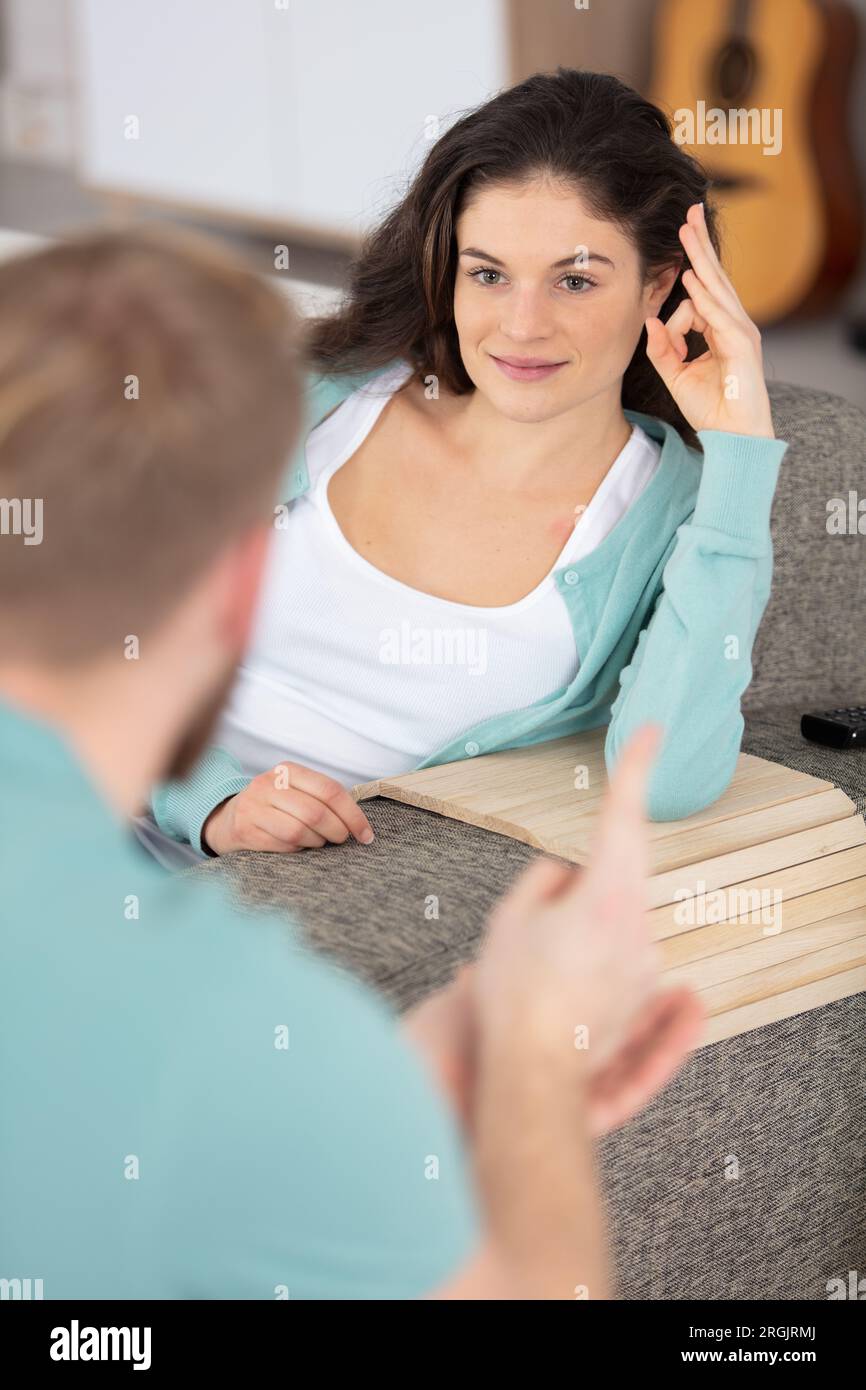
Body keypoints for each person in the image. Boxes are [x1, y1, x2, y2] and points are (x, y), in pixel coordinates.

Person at [0, 225, 702, 1299]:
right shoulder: (231, 1028)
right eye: (488, 271)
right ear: (246, 582)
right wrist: (530, 1077)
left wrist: (394, 1088)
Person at [148, 67, 789, 864]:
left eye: (576, 280)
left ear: (659, 286)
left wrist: (741, 459)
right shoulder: (320, 399)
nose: (522, 326)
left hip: (298, 905)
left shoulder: (681, 512)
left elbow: (664, 781)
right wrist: (210, 803)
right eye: (488, 274)